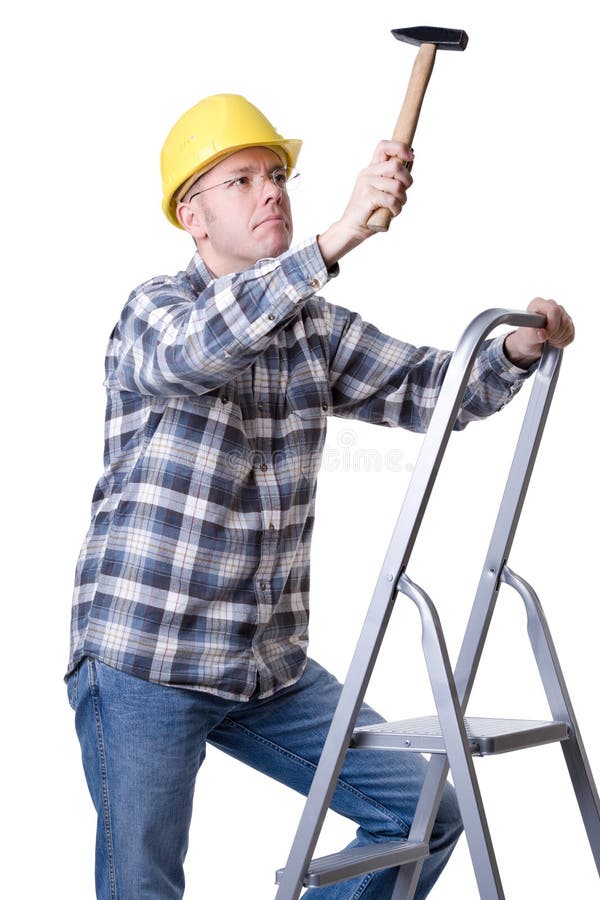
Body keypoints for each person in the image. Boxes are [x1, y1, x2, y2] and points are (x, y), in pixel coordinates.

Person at [65, 93, 574, 899]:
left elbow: (430, 390)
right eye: (241, 180)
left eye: (276, 175)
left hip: (264, 666)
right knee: (143, 889)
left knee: (423, 815)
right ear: (192, 217)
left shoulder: (314, 330)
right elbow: (197, 352)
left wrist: (512, 349)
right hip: (147, 658)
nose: (270, 190)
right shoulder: (154, 311)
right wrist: (337, 238)